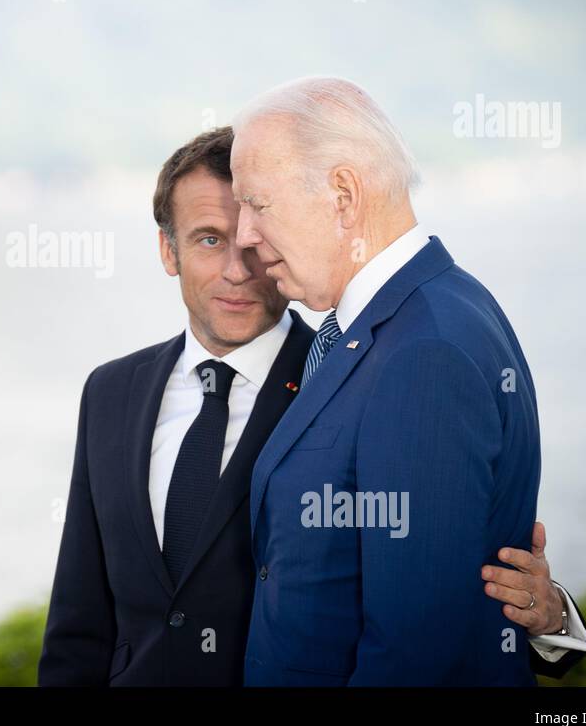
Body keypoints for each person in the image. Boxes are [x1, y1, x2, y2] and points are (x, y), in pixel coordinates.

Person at [38, 124, 586, 685]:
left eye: (254, 240)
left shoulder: (357, 377)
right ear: (167, 249)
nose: (237, 268)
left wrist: (548, 616)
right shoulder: (109, 392)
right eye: (210, 239)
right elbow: (78, 624)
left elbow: (426, 602)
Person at [233, 76, 560, 685]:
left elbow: (415, 652)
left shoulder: (424, 351)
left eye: (258, 203)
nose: (245, 234)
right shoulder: (422, 312)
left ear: (343, 195)